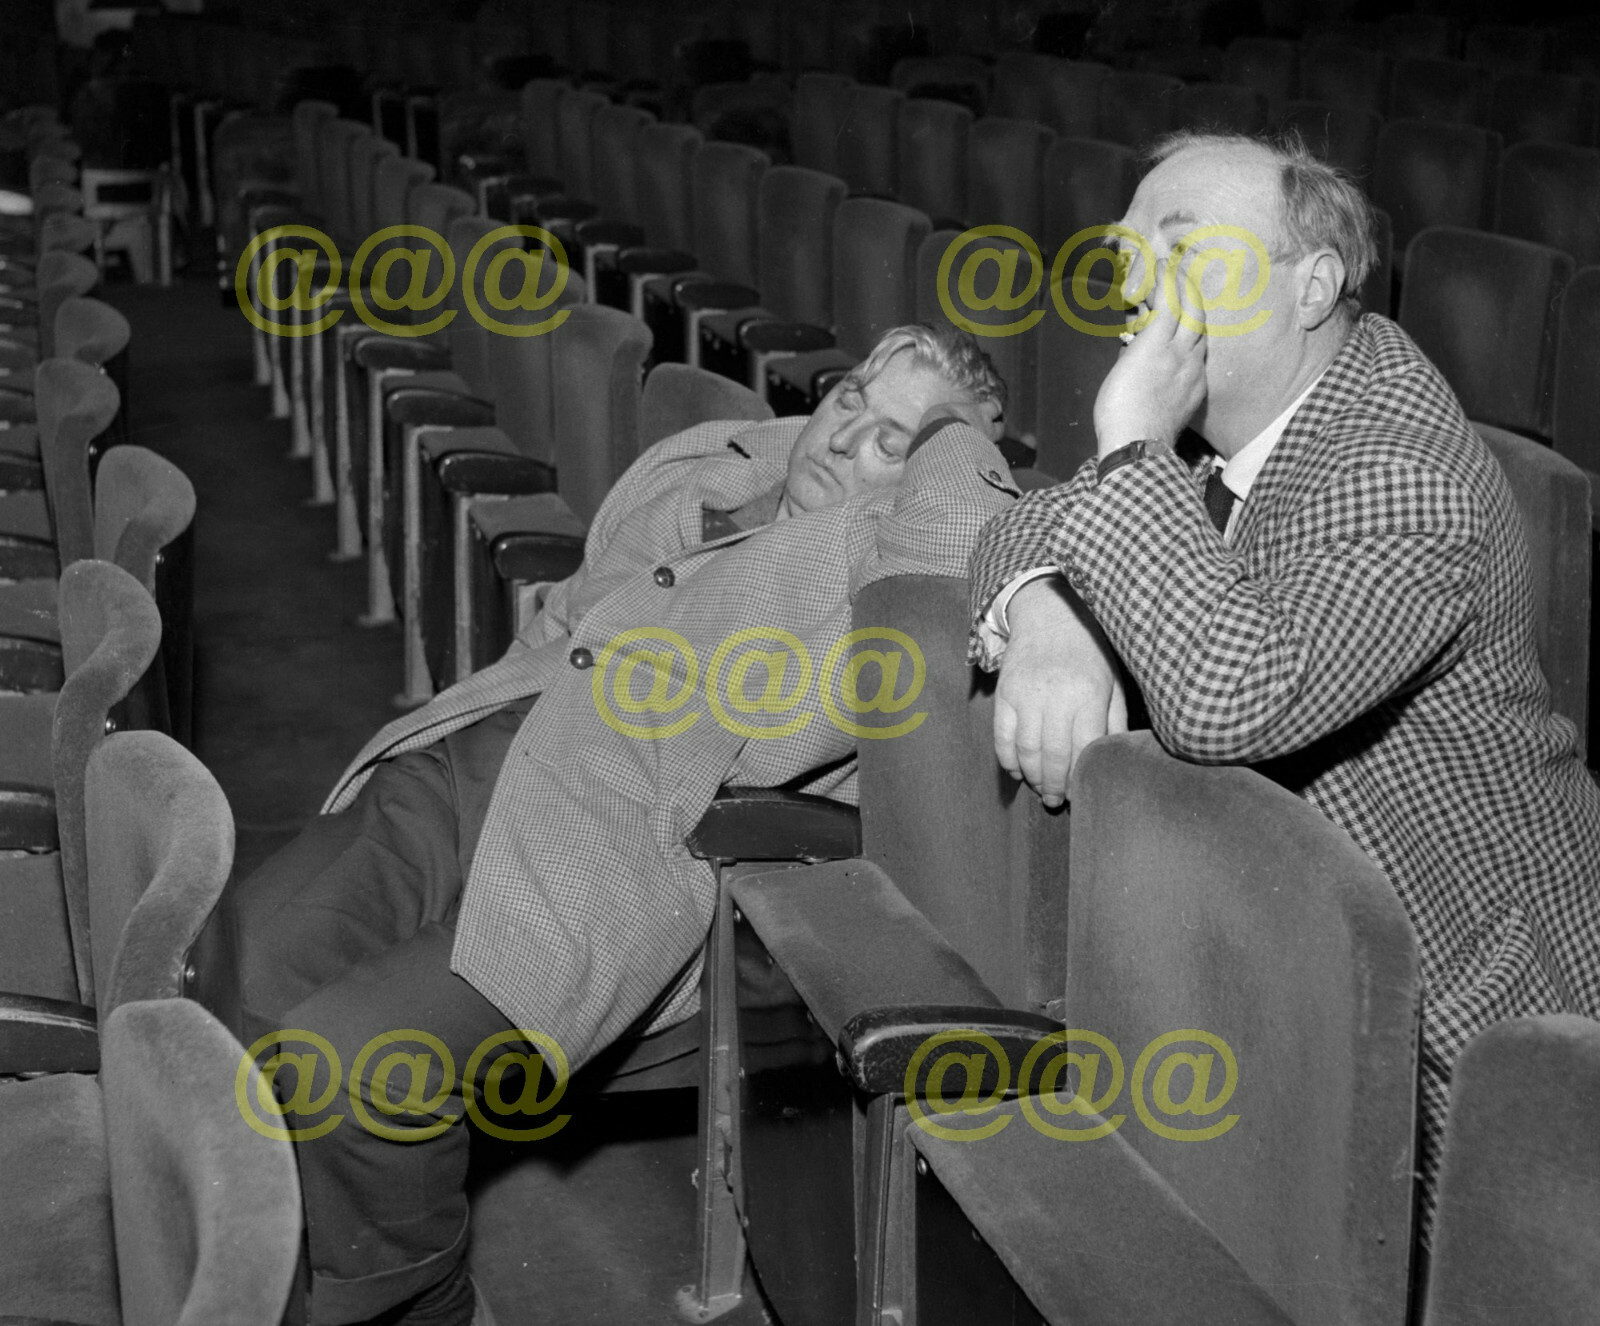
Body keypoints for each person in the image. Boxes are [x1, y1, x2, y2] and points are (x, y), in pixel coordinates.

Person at [232, 323, 1017, 1326]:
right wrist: (863, 419)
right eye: (850, 397)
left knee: (349, 1070)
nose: (846, 434)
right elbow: (720, 482)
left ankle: (410, 1308)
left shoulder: (891, 567)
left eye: (898, 440)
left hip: (608, 844)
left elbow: (966, 528)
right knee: (235, 972)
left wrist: (953, 429)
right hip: (478, 761)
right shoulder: (721, 479)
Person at [965, 129, 1600, 1240]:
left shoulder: (1397, 471)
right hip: (1301, 976)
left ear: (1312, 285)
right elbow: (1015, 520)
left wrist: (1128, 449)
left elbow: (1229, 695)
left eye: (1182, 245)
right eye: (1126, 247)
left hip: (1487, 1029)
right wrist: (1051, 614)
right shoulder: (1249, 428)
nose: (1133, 279)